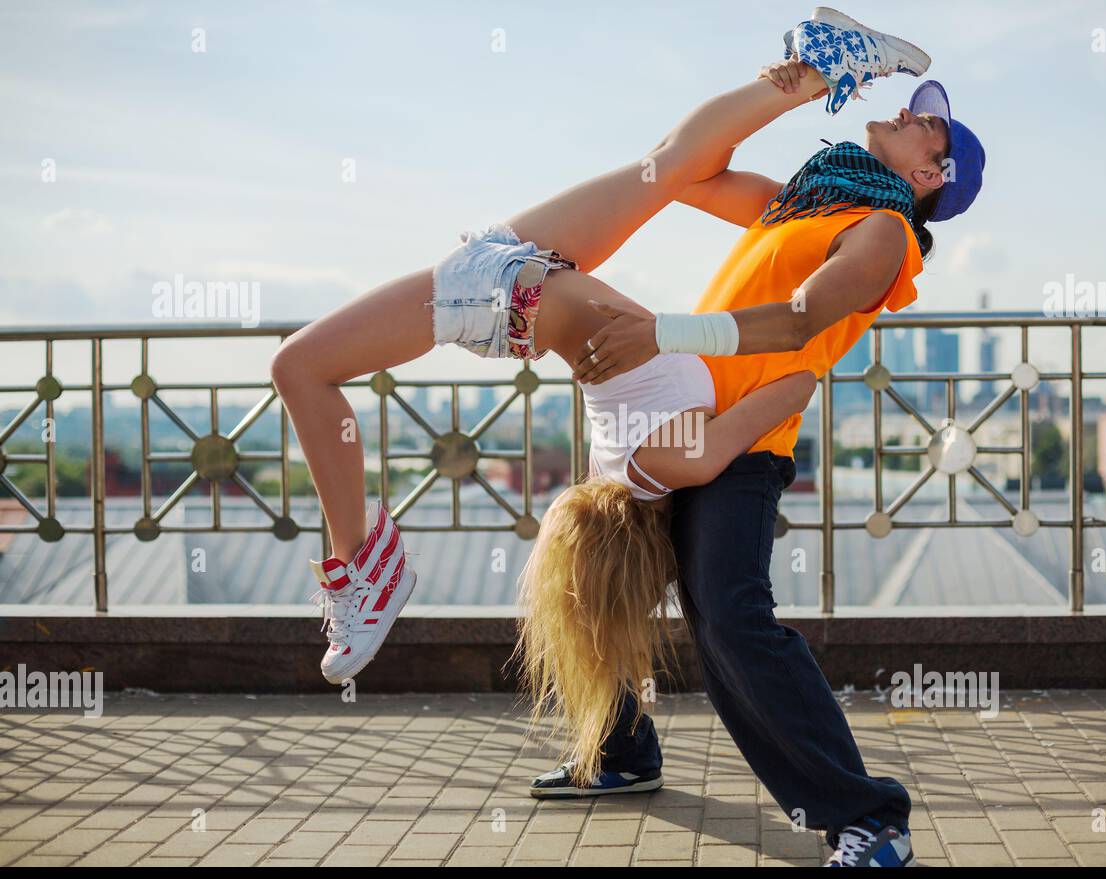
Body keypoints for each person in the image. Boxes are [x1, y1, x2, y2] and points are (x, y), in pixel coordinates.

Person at [270, 11, 927, 692]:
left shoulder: (646, 456)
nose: (565, 508)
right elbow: (689, 175)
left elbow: (793, 378)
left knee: (298, 366)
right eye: (573, 520)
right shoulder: (655, 453)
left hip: (506, 294)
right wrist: (787, 84)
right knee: (667, 161)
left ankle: (367, 571)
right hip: (507, 275)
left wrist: (685, 344)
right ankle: (827, 65)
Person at [527, 9, 988, 868]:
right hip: (679, 407)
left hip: (743, 443)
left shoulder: (885, 234)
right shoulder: (801, 202)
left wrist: (663, 332)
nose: (904, 109)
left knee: (731, 619)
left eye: (925, 118)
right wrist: (777, 89)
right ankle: (621, 751)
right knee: (598, 572)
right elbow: (682, 173)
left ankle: (870, 819)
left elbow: (805, 317)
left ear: (931, 171)